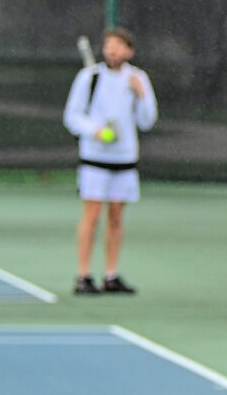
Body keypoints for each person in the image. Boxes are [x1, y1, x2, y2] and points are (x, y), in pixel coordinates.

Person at [63, 27, 157, 295]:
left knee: (116, 215)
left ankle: (111, 275)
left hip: (125, 158)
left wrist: (142, 95)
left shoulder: (138, 79)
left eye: (119, 45)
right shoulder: (89, 78)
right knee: (92, 214)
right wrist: (96, 131)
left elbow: (147, 120)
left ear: (129, 51)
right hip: (95, 158)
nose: (112, 50)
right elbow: (72, 117)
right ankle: (83, 276)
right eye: (108, 45)